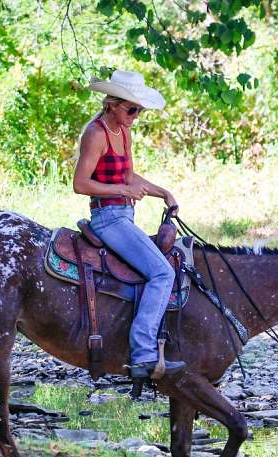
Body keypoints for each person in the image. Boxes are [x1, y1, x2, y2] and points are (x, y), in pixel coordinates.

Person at [72, 70, 186, 380]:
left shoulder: (123, 131)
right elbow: (80, 184)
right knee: (162, 272)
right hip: (108, 218)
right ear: (111, 104)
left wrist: (162, 192)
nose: (136, 116)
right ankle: (143, 353)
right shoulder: (96, 134)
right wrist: (124, 192)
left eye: (139, 110)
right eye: (132, 109)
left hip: (125, 214)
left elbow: (129, 178)